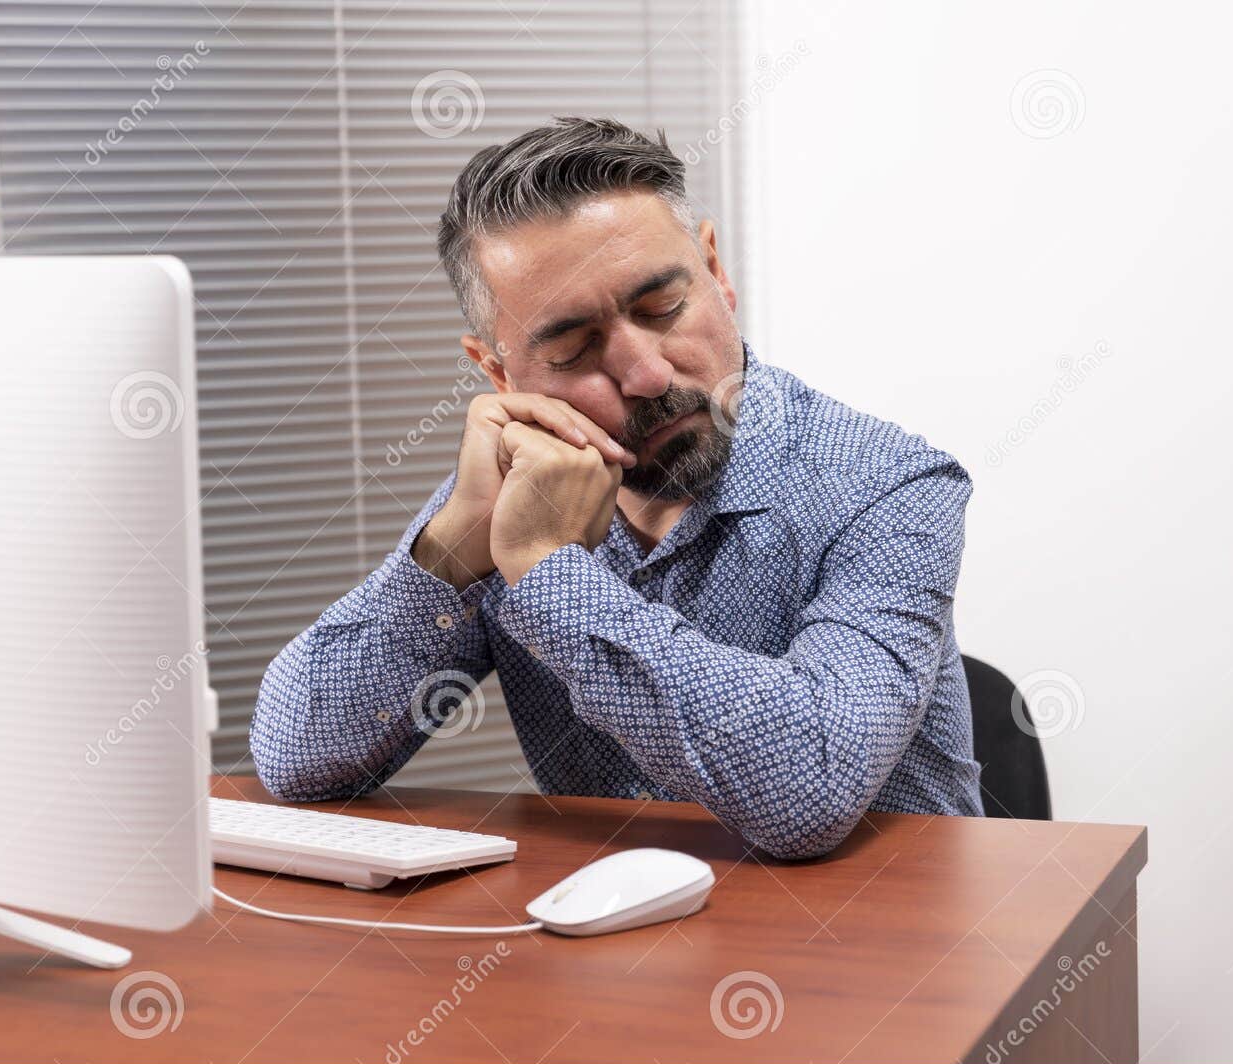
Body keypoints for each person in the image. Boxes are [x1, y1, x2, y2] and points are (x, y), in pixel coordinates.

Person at [250, 117, 982, 859]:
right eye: (572, 349)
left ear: (713, 268)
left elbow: (808, 787)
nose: (648, 375)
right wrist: (454, 548)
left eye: (662, 308)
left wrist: (544, 571)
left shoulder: (890, 486)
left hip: (886, 952)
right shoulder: (514, 496)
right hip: (619, 953)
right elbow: (296, 758)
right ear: (498, 374)